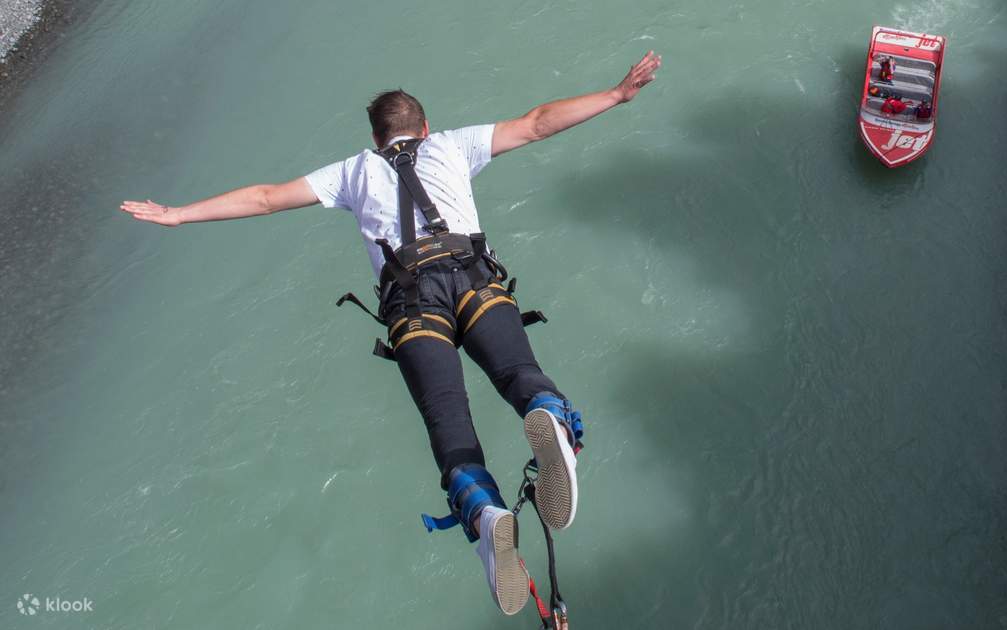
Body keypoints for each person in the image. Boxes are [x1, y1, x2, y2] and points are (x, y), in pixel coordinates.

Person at [121, 50, 663, 617]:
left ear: (376, 139)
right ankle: (548, 416)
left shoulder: (351, 172)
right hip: (474, 280)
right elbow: (536, 123)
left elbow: (264, 198)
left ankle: (485, 513)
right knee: (519, 375)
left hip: (412, 305)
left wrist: (179, 213)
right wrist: (616, 94)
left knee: (448, 421)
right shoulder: (452, 145)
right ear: (423, 128)